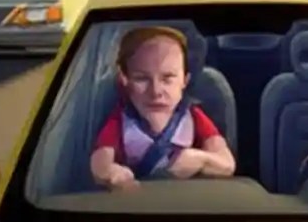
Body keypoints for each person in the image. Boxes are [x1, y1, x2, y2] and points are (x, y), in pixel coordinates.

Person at [90, 26, 236, 190]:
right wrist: (111, 172)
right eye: (142, 79)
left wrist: (200, 159)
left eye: (167, 79)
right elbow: (100, 163)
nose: (156, 92)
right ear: (125, 80)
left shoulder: (194, 117)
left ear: (184, 81)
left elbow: (227, 164)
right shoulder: (120, 120)